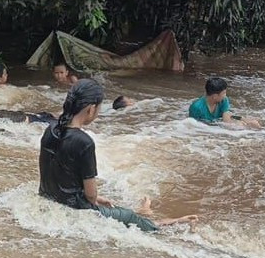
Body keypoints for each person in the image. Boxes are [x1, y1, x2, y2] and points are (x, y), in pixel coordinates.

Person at [39, 80, 197, 230]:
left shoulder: (51, 129)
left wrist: (97, 198)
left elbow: (59, 178)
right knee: (129, 217)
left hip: (51, 200)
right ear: (91, 109)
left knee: (117, 209)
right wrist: (96, 199)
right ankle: (164, 223)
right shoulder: (84, 141)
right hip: (77, 208)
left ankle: (143, 214)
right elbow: (91, 197)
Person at [188, 77, 260, 128]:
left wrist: (245, 122)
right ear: (215, 96)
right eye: (224, 93)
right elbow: (194, 127)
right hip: (206, 127)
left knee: (251, 122)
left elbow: (226, 119)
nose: (225, 95)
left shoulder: (223, 100)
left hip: (218, 122)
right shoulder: (196, 107)